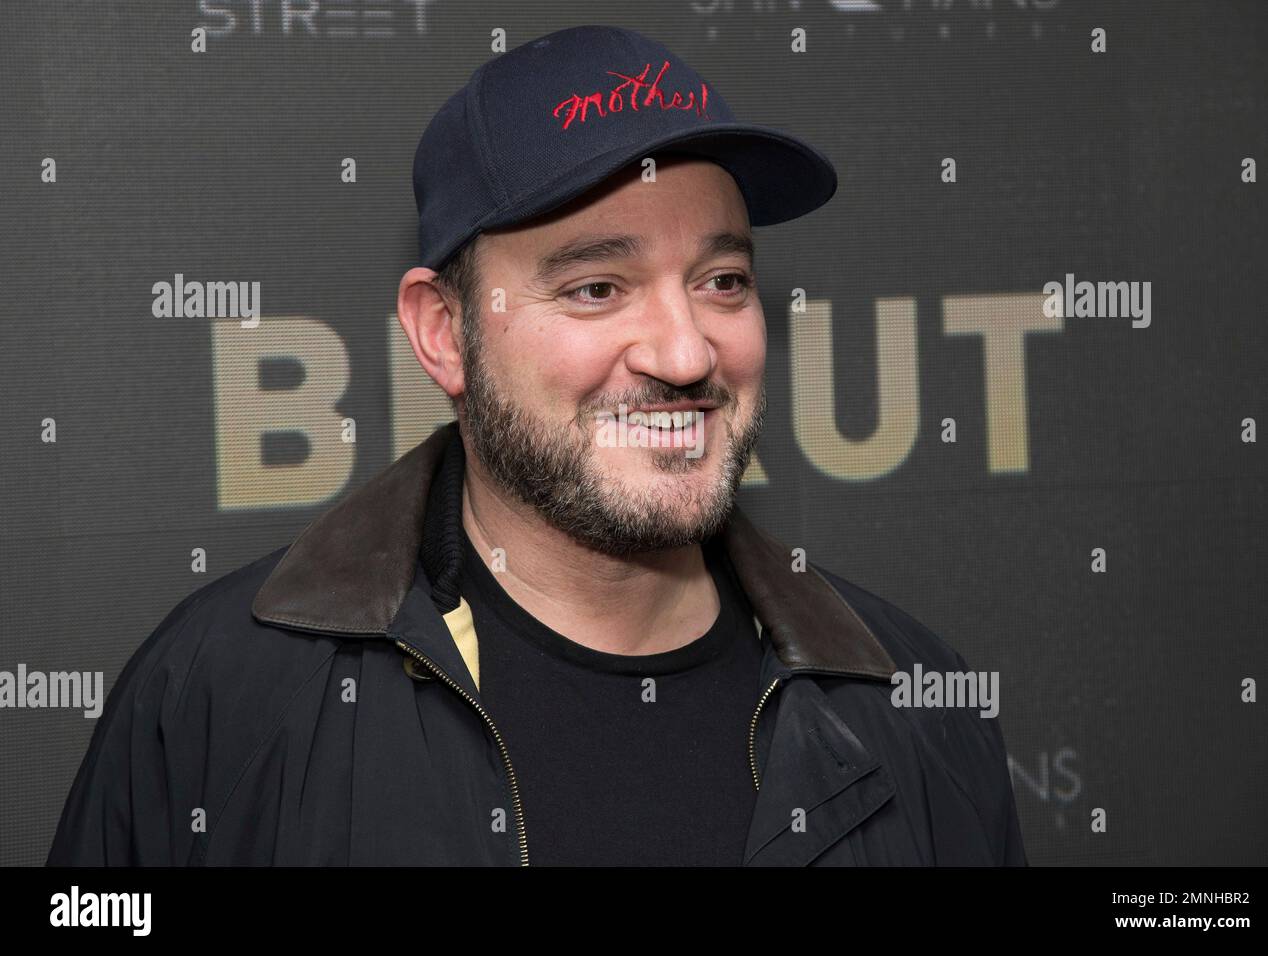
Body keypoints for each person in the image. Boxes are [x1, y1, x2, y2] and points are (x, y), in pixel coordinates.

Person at [47, 24, 1026, 866]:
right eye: (596, 286)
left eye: (722, 279)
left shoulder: (911, 705)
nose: (686, 351)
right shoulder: (219, 696)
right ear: (444, 331)